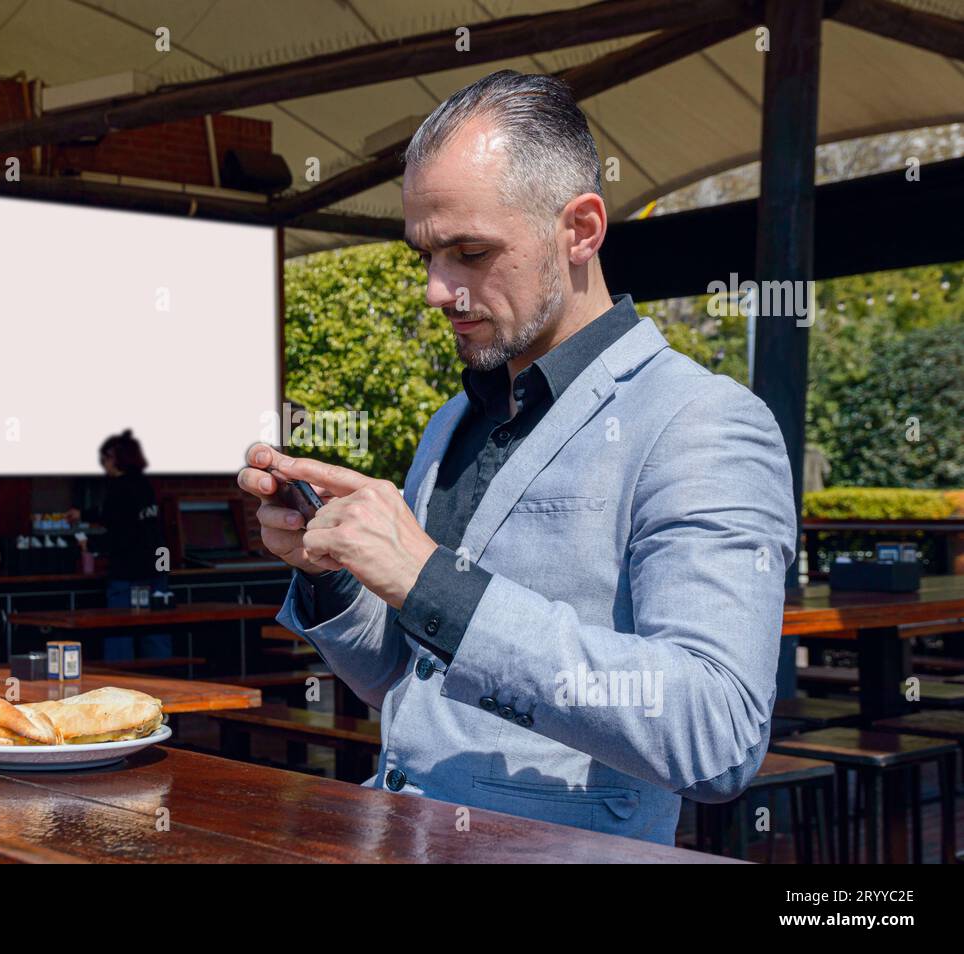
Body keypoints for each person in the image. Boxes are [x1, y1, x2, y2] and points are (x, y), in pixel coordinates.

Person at [237, 71, 795, 846]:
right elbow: (406, 684)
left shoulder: (702, 422)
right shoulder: (454, 420)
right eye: (426, 255)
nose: (438, 289)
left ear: (581, 229)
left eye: (470, 251)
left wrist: (433, 583)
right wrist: (333, 570)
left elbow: (718, 734)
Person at [68, 430, 172, 661]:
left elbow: (119, 528)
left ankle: (120, 682)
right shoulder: (146, 485)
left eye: (104, 459)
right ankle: (164, 679)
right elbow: (127, 519)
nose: (103, 465)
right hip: (156, 565)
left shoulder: (118, 488)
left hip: (127, 569)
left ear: (113, 458)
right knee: (155, 628)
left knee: (118, 629)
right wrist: (84, 514)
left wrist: (89, 544)